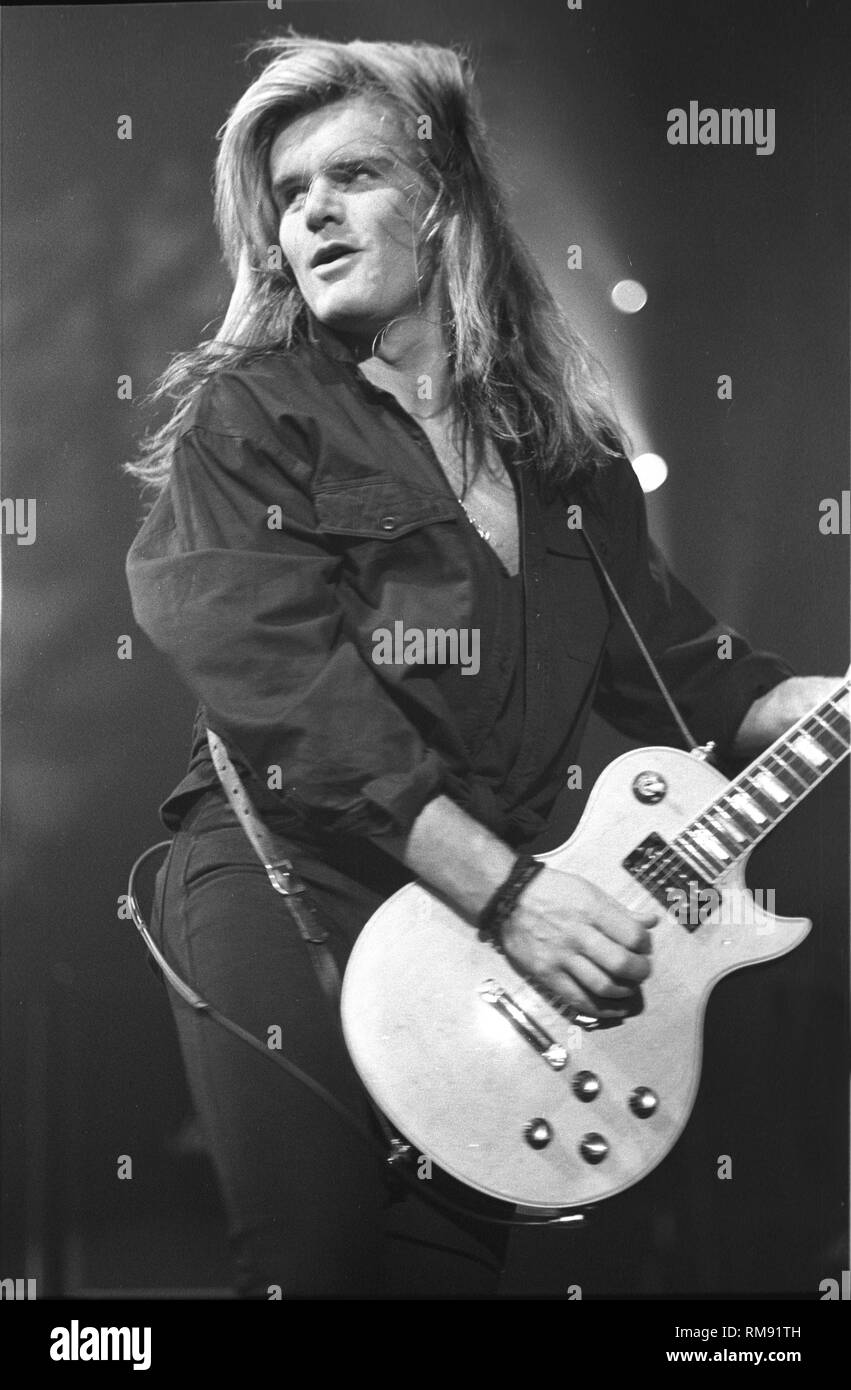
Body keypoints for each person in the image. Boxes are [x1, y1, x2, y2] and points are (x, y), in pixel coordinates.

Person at [124, 35, 839, 1299]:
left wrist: (790, 700)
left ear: (442, 200)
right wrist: (507, 892)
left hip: (496, 898)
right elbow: (276, 679)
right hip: (300, 871)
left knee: (445, 1272)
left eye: (350, 177)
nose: (312, 216)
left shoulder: (566, 457)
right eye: (289, 197)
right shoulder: (251, 417)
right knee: (317, 1263)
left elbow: (670, 660)